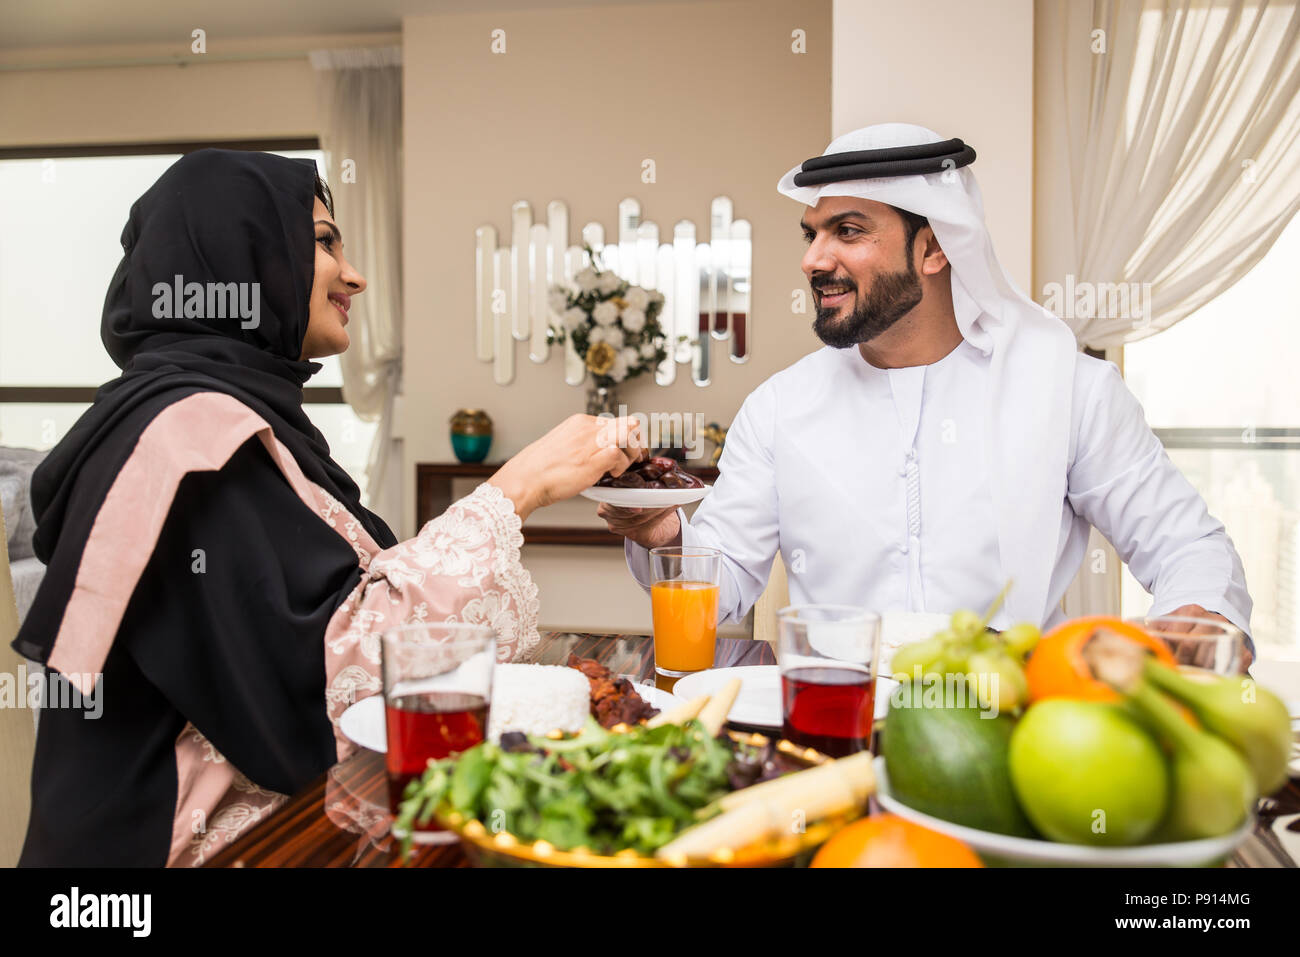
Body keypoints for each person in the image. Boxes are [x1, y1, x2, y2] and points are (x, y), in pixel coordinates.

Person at [12, 149, 644, 866]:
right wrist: (518, 488)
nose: (355, 274)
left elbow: (338, 614)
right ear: (238, 256)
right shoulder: (183, 444)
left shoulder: (235, 417)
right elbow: (315, 703)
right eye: (322, 241)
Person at [600, 123, 1253, 662]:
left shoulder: (1069, 390)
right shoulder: (779, 408)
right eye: (813, 234)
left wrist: (1199, 614)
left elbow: (1188, 546)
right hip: (829, 731)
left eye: (848, 231)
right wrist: (663, 534)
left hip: (1013, 736)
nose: (813, 259)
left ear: (934, 247)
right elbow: (722, 585)